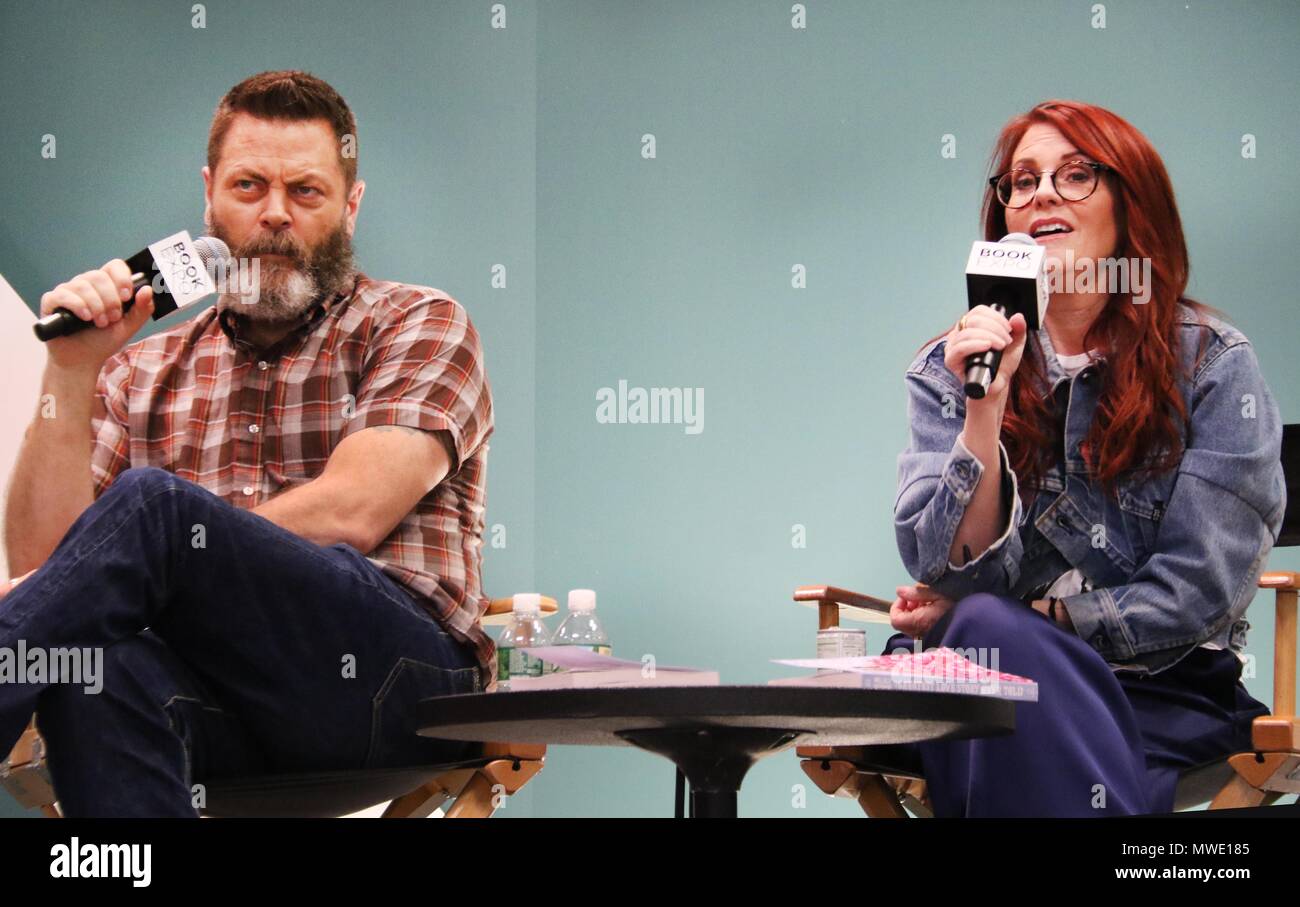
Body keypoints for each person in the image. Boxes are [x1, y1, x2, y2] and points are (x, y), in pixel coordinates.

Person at [0, 70, 496, 817]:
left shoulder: (420, 323)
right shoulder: (137, 369)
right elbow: (48, 572)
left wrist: (155, 553)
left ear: (350, 207)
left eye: (305, 192)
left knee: (158, 511)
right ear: (208, 197)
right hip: (220, 699)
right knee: (90, 669)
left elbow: (354, 510)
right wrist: (70, 373)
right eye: (248, 187)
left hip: (395, 689)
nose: (274, 215)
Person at [887, 99, 1285, 817]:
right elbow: (939, 567)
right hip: (981, 682)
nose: (1041, 194)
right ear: (1003, 216)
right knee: (981, 635)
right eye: (1023, 179)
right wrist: (986, 406)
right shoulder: (950, 367)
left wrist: (1041, 617)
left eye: (1075, 176)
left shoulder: (1213, 366)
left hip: (1158, 693)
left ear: (1132, 207)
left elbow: (1197, 588)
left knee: (985, 631)